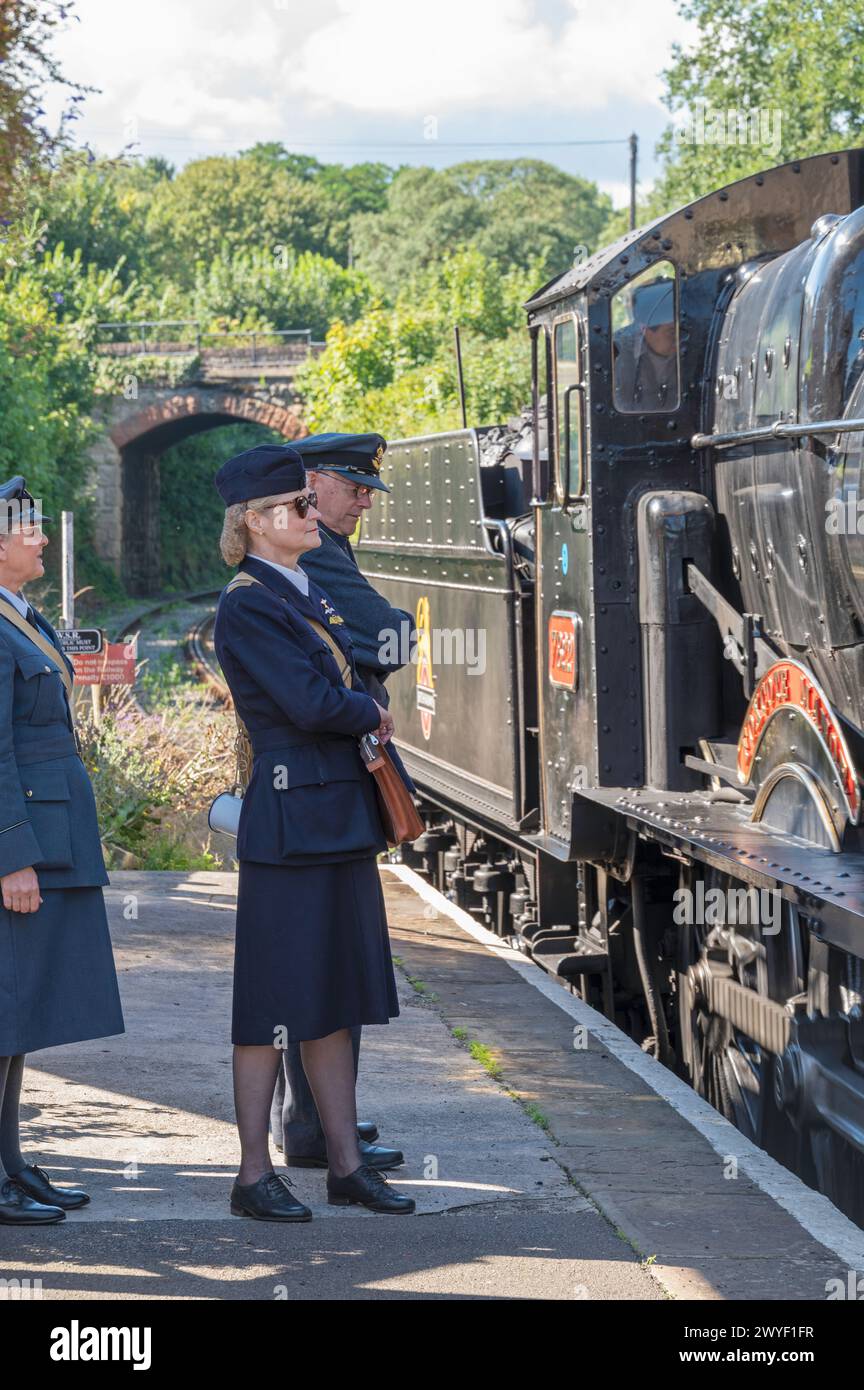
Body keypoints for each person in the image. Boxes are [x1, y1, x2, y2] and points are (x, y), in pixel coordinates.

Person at [212, 443, 415, 1219]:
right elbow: (313, 701)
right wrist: (367, 710)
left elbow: (361, 661)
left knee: (335, 996)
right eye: (300, 507)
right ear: (258, 522)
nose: (313, 515)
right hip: (293, 817)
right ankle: (252, 1175)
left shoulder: (300, 589)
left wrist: (358, 699)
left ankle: (344, 1164)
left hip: (333, 815)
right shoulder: (250, 601)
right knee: (271, 1002)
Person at [268, 432, 415, 1172]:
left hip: (323, 785)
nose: (363, 501)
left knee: (327, 961)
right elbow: (390, 636)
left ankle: (319, 1120)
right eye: (354, 488)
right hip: (320, 786)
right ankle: (317, 1126)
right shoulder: (315, 553)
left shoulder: (320, 552)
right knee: (325, 961)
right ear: (313, 484)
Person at [0, 476, 125, 1226]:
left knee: (21, 1016)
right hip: (25, 848)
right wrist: (10, 854)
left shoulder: (20, 614)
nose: (42, 538)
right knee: (5, 1010)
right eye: (28, 529)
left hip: (53, 840)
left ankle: (12, 1163)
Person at [613, 278, 678, 411]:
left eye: (681, 330)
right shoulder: (616, 353)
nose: (679, 338)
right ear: (645, 330)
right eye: (671, 333)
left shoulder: (693, 346)